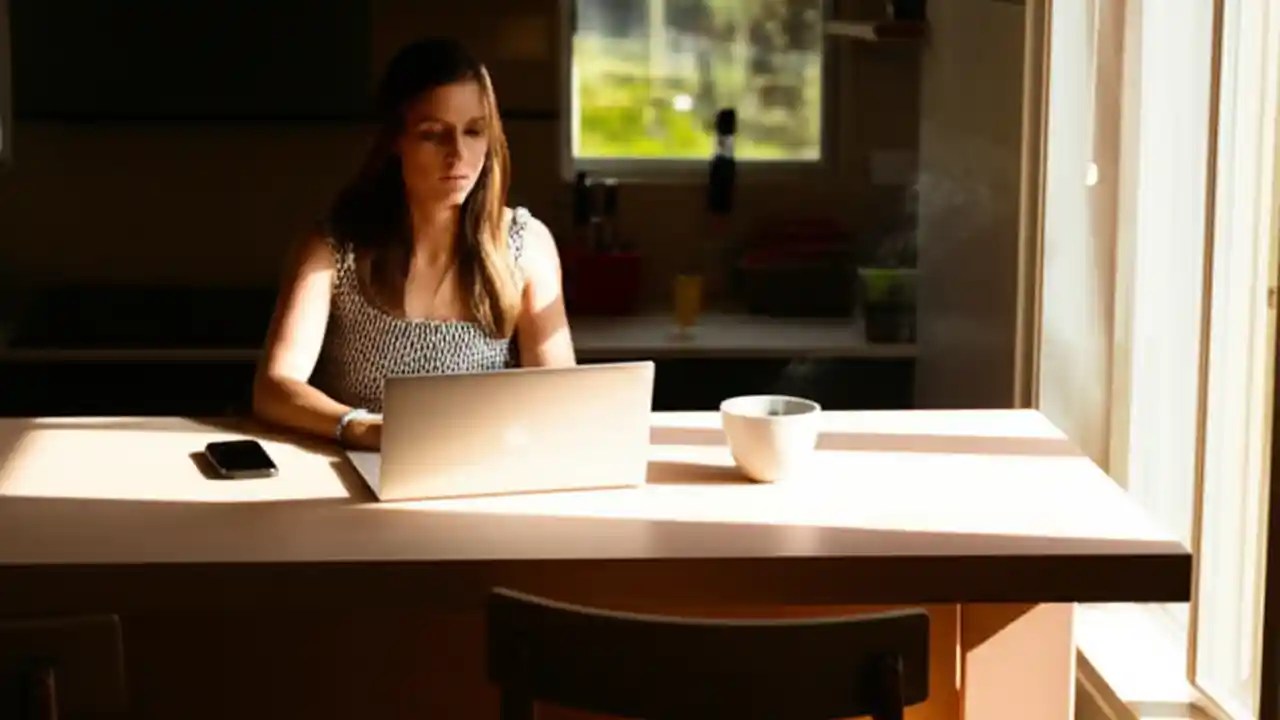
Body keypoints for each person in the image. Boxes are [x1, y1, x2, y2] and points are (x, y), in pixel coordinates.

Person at [252, 37, 576, 450]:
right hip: (357, 478)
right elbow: (275, 387)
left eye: (474, 131)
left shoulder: (525, 246)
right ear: (394, 141)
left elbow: (562, 401)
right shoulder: (334, 249)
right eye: (433, 135)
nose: (458, 154)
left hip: (479, 478)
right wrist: (366, 429)